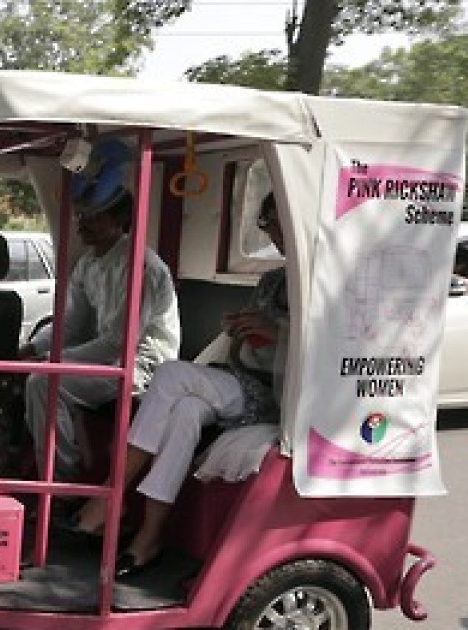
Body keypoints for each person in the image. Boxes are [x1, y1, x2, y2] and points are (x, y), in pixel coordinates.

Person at [70, 192, 288, 579]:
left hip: (283, 392)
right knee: (185, 411)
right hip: (241, 377)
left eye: (274, 219)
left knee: (170, 373)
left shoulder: (325, 284)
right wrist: (238, 331)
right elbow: (243, 348)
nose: (270, 229)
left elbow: (331, 349)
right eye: (266, 221)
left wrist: (280, 334)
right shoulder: (271, 282)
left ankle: (112, 493)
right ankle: (150, 537)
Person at [19, 185, 180, 482]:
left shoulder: (140, 266)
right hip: (108, 361)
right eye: (81, 215)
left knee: (43, 382)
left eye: (93, 216)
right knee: (29, 374)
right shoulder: (89, 264)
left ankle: (59, 484)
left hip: (141, 368)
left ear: (120, 219)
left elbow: (119, 343)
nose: (82, 224)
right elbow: (71, 325)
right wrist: (30, 349)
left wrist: (52, 359)